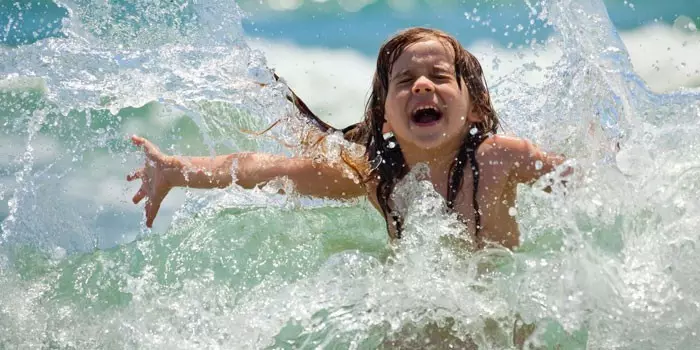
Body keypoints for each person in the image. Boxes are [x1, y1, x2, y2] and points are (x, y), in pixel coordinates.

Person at [127, 27, 570, 250]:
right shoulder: (375, 177)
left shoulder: (498, 160)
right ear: (385, 120)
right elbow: (264, 169)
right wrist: (174, 171)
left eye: (439, 77)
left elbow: (586, 182)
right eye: (405, 81)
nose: (421, 86)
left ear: (473, 108)